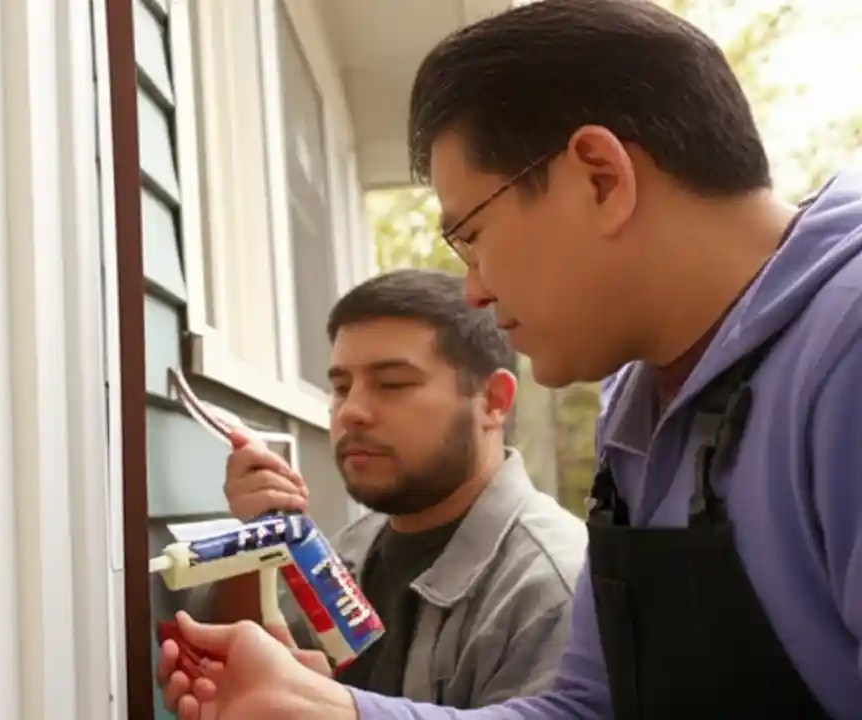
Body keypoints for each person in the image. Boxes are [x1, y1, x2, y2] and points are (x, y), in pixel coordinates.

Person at [156, 0, 862, 717]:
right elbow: (587, 708)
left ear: (601, 177)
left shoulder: (845, 348)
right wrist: (333, 710)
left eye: (472, 234)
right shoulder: (636, 402)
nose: (476, 289)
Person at [157, 269, 588, 716]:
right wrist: (257, 534)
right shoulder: (349, 551)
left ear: (494, 400)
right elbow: (259, 670)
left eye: (392, 384)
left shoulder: (554, 589)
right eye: (341, 387)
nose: (352, 411)